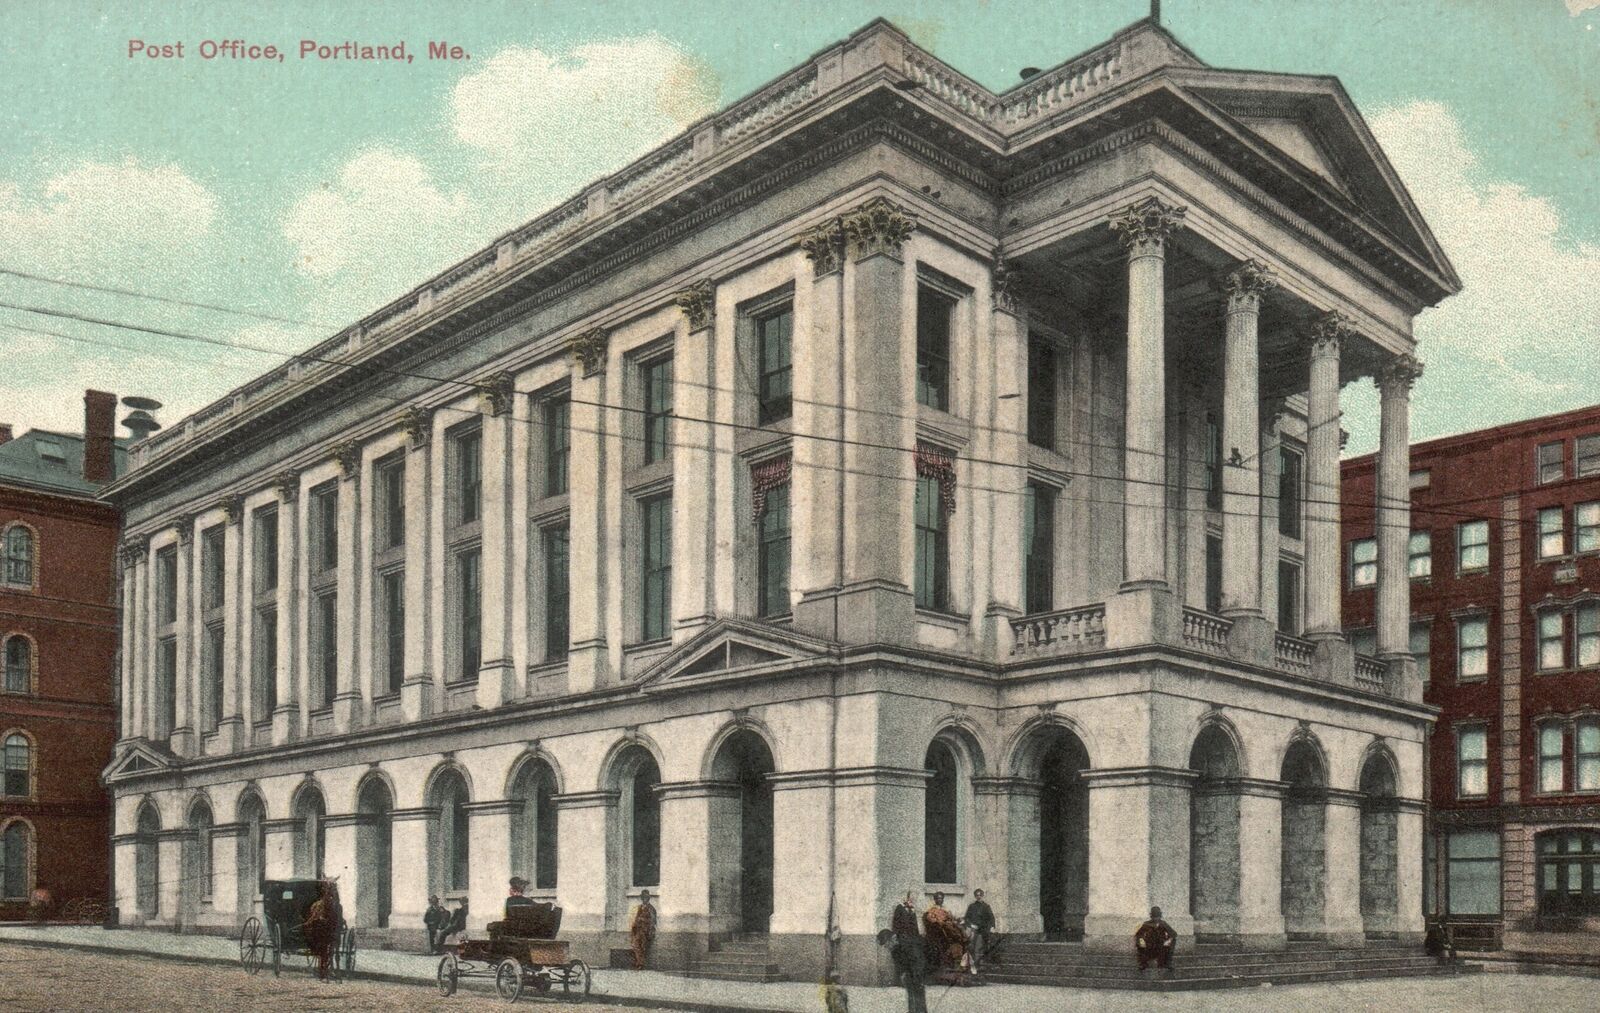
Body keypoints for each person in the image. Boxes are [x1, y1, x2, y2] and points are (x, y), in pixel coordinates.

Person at [878, 925, 928, 1013]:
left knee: (918, 990)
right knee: (910, 990)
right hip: (910, 970)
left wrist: (915, 974)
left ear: (893, 938)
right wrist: (903, 973)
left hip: (919, 967)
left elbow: (918, 959)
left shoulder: (907, 942)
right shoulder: (894, 948)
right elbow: (899, 963)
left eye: (887, 945)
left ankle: (921, 1011)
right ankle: (913, 1010)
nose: (887, 948)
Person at [921, 891, 968, 973]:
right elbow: (930, 919)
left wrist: (955, 920)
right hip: (941, 929)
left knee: (958, 932)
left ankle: (961, 941)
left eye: (941, 898)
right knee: (949, 929)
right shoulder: (932, 910)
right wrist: (940, 922)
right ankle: (959, 938)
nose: (940, 900)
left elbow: (951, 918)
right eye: (938, 898)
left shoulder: (945, 909)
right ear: (935, 900)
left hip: (949, 927)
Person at [304, 881, 339, 982]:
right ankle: (322, 971)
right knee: (323, 949)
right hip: (319, 927)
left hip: (329, 926)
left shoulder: (333, 903)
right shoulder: (317, 905)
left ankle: (329, 969)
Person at [961, 889, 995, 974]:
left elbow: (991, 918)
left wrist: (991, 927)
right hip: (973, 929)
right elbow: (967, 917)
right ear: (975, 896)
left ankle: (978, 965)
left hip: (982, 930)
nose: (978, 897)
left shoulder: (986, 906)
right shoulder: (972, 906)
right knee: (971, 947)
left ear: (982, 896)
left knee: (978, 948)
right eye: (977, 895)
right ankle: (970, 966)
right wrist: (971, 925)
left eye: (980, 895)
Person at [1134, 906, 1176, 973]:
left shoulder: (1163, 923)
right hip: (1149, 946)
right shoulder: (1147, 924)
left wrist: (1168, 940)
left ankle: (1168, 963)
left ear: (1160, 916)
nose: (1156, 919)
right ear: (1151, 916)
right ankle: (1143, 964)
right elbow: (1138, 935)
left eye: (1157, 916)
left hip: (1161, 946)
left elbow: (1173, 934)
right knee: (1139, 943)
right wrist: (1141, 941)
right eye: (1154, 917)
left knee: (1172, 941)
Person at [629, 889, 657, 970]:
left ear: (648, 898)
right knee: (635, 945)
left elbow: (653, 921)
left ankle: (641, 964)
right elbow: (637, 918)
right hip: (638, 931)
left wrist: (649, 931)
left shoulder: (651, 908)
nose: (644, 899)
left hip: (646, 931)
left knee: (643, 947)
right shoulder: (640, 907)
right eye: (643, 897)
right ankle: (639, 963)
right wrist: (634, 926)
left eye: (646, 897)